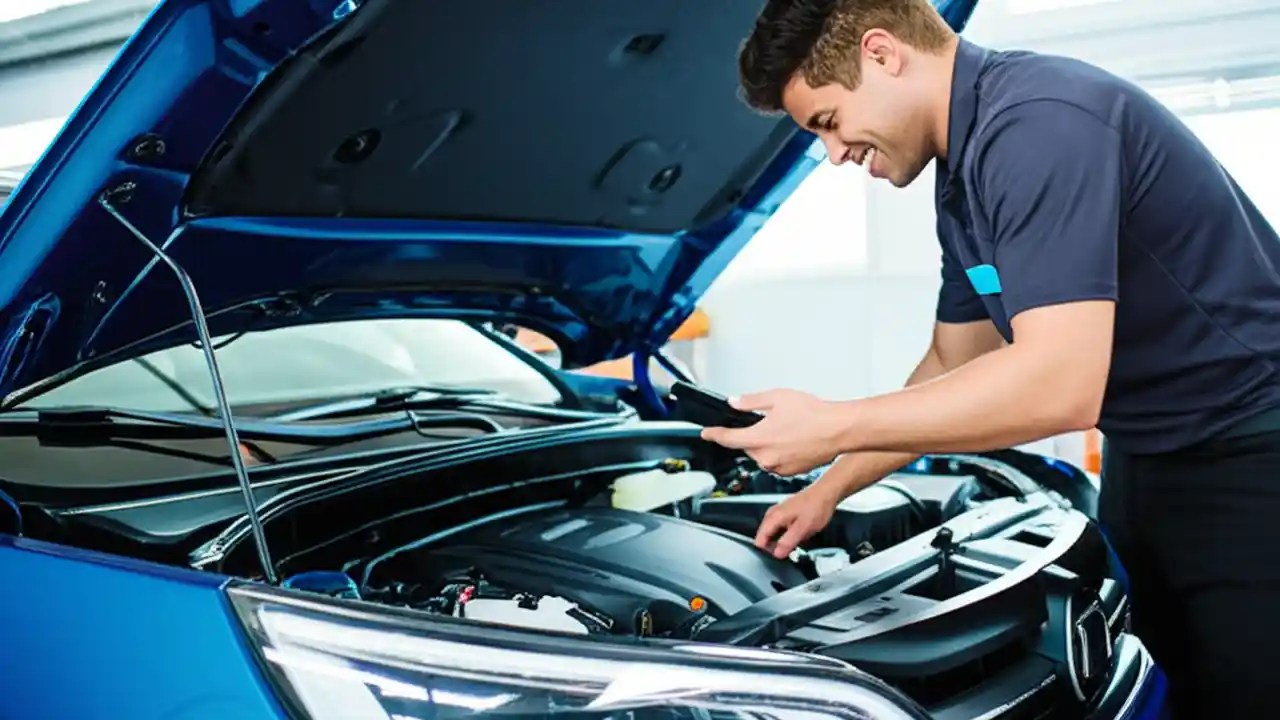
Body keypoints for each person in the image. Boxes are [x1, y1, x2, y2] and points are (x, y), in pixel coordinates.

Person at [701, 0, 1280, 717]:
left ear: (881, 54)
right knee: (1174, 681)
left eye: (827, 122)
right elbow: (952, 358)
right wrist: (829, 490)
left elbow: (1057, 389)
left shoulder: (1039, 122)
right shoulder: (962, 178)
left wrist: (836, 424)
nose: (835, 153)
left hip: (1251, 453)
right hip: (1152, 453)